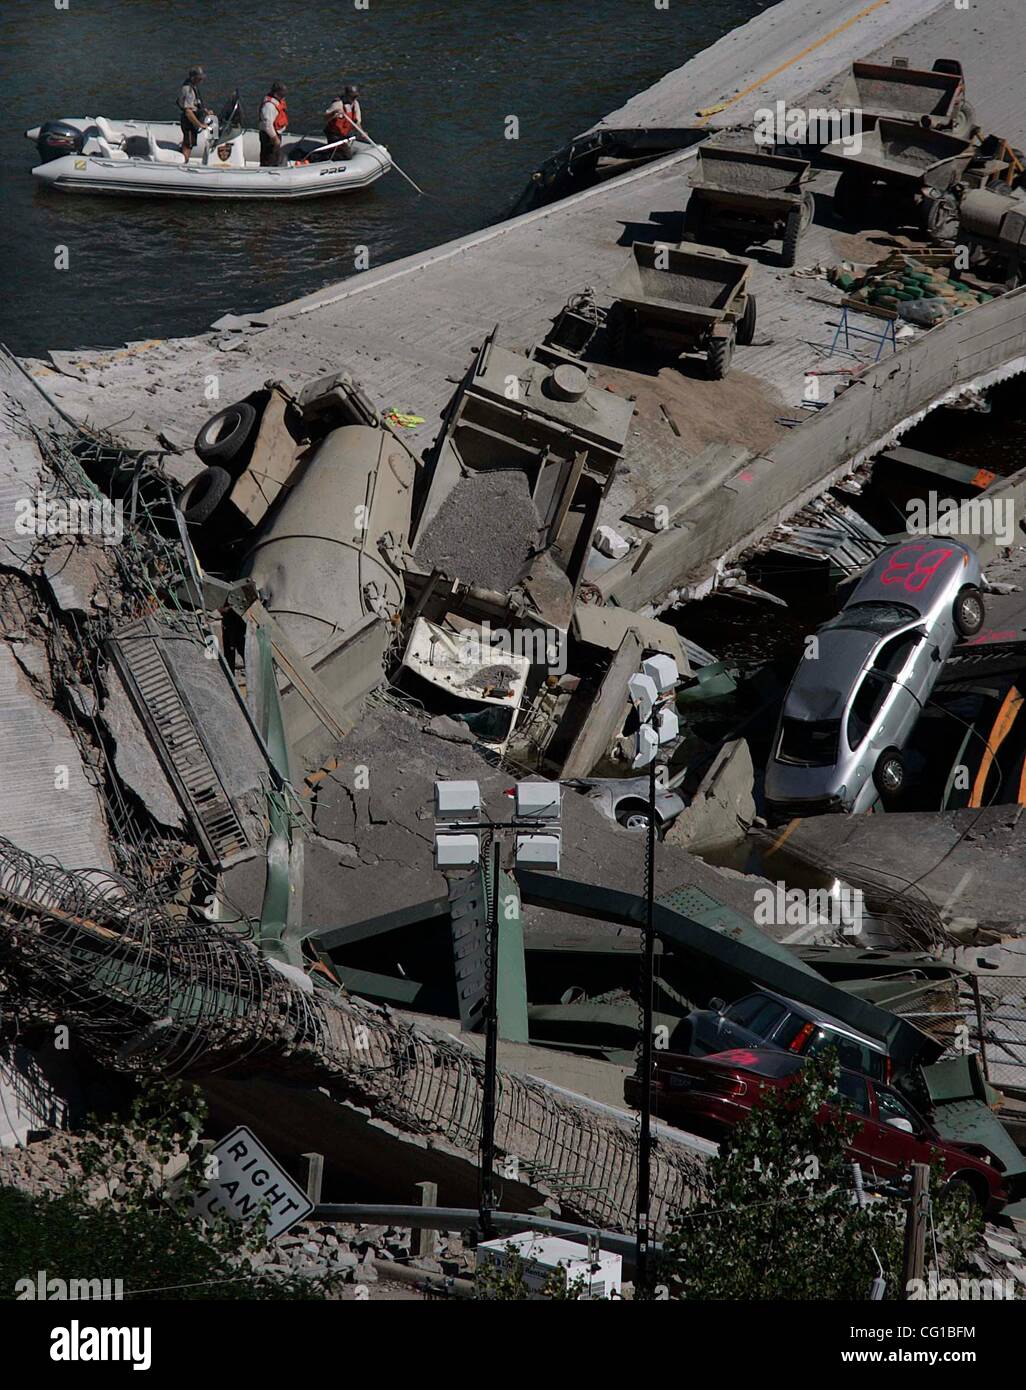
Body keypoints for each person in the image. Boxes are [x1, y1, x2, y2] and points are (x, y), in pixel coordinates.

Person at [322, 84, 362, 158]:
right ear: (347, 95)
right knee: (346, 156)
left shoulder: (355, 104)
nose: (354, 99)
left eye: (356, 96)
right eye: (352, 97)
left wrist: (361, 132)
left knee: (342, 152)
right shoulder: (337, 104)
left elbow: (357, 121)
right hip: (334, 135)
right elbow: (325, 118)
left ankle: (333, 152)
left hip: (344, 134)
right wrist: (334, 112)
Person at [177, 66, 207, 161]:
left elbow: (195, 104)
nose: (201, 80)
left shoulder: (193, 87)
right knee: (188, 145)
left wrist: (204, 111)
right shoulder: (188, 90)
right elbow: (189, 112)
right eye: (199, 78)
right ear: (193, 77)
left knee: (189, 143)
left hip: (193, 119)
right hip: (189, 121)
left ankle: (183, 157)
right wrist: (199, 124)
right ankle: (183, 163)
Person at [259, 81, 289, 167]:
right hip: (270, 136)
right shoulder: (269, 106)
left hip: (276, 133)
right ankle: (267, 173)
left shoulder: (277, 101)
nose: (284, 96)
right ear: (276, 93)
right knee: (269, 158)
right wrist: (275, 138)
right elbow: (267, 125)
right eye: (282, 94)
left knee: (275, 156)